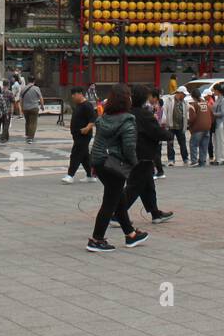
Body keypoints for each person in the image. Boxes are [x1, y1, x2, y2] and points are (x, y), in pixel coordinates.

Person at [86, 84, 149, 253]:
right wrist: (135, 163)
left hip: (100, 162)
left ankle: (131, 234)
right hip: (115, 165)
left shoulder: (103, 117)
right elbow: (129, 147)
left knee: (118, 198)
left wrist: (94, 163)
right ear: (126, 100)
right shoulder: (127, 120)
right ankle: (96, 239)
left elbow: (97, 143)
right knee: (109, 203)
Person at [122, 85, 174, 224]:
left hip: (131, 153)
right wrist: (169, 135)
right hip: (143, 154)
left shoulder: (128, 112)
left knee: (148, 185)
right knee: (135, 186)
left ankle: (155, 213)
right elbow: (155, 131)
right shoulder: (144, 114)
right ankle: (117, 213)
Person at [62, 86, 96, 184]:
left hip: (84, 136)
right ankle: (91, 175)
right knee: (84, 156)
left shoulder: (87, 105)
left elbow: (92, 119)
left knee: (75, 154)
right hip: (77, 135)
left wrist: (87, 128)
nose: (72, 97)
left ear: (80, 94)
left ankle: (70, 175)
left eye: (74, 94)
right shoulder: (79, 105)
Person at [187, 90, 214, 166]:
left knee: (193, 144)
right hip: (207, 127)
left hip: (198, 128)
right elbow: (212, 115)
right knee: (204, 145)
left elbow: (192, 118)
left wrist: (188, 124)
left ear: (192, 96)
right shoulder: (206, 104)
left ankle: (194, 161)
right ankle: (202, 161)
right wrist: (209, 123)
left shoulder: (193, 105)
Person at [18, 78, 44, 144]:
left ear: (28, 81)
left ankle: (27, 135)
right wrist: (42, 106)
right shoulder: (36, 88)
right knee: (33, 123)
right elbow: (41, 97)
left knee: (28, 122)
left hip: (25, 108)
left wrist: (21, 107)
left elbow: (20, 99)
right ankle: (30, 138)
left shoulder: (23, 88)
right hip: (34, 108)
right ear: (34, 81)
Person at [166, 88, 189, 165]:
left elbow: (187, 113)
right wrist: (166, 123)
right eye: (184, 94)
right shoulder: (169, 100)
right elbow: (165, 111)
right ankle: (171, 159)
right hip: (171, 126)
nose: (185, 96)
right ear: (179, 93)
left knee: (183, 143)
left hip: (180, 126)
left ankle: (185, 158)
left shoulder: (185, 102)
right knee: (170, 144)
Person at [210, 84, 224, 166]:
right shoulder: (218, 99)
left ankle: (222, 159)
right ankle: (217, 158)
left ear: (217, 91)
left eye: (214, 90)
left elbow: (223, 112)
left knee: (221, 141)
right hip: (216, 123)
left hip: (221, 122)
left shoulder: (223, 100)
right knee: (216, 141)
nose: (213, 92)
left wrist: (213, 114)